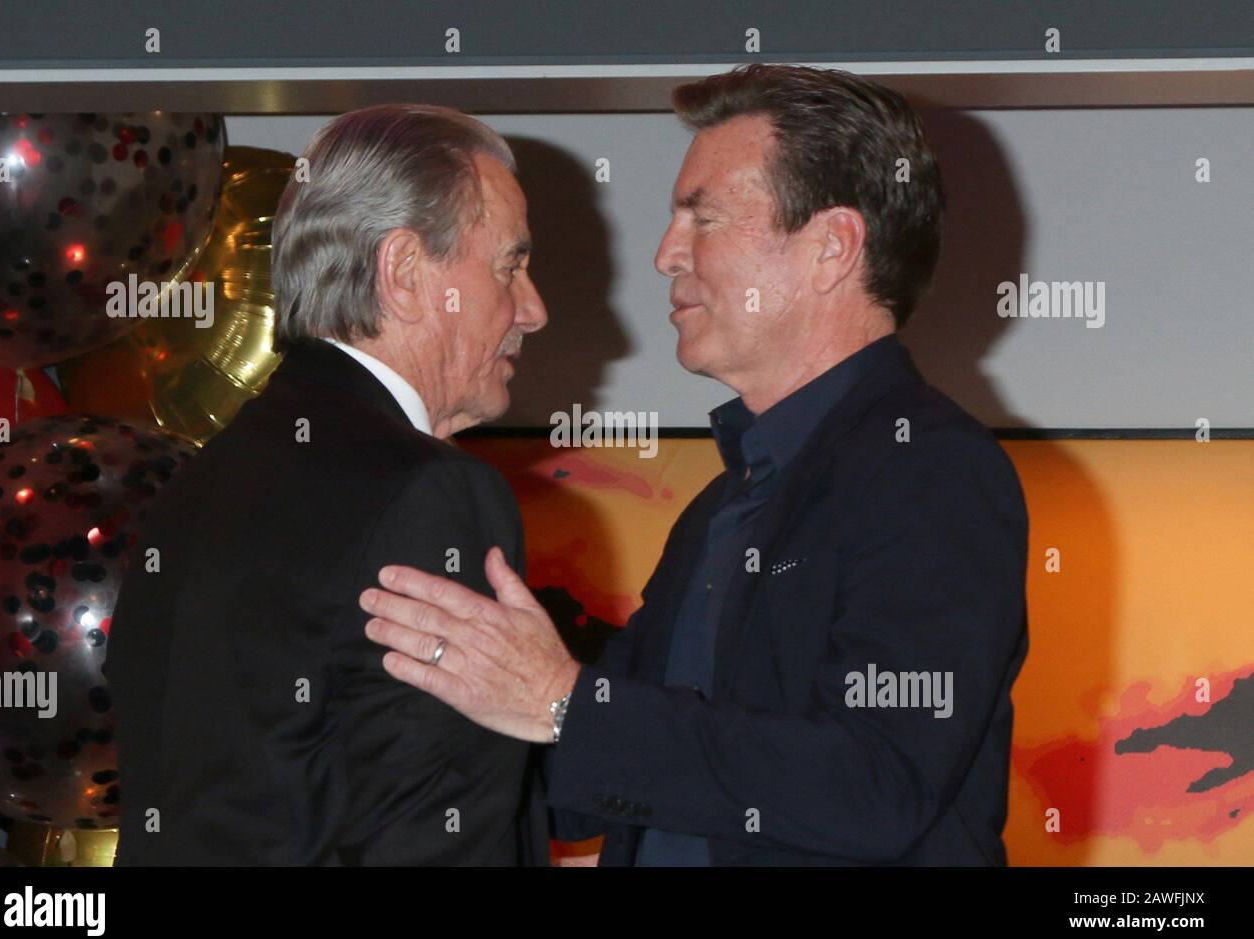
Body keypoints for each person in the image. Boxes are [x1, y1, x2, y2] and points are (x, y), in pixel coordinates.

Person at [358, 65, 1030, 866]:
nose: (666, 255)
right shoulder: (724, 506)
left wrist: (561, 700)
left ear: (831, 248)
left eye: (701, 217)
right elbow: (585, 778)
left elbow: (875, 782)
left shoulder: (932, 471)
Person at [107, 104, 550, 864]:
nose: (533, 309)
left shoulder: (199, 484)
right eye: (510, 265)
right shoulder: (430, 494)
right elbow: (433, 839)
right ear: (407, 274)